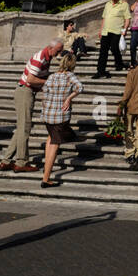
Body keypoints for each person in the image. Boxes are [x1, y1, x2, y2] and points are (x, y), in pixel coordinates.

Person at [0, 39, 61, 172]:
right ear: (51, 48)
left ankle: (6, 161)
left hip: (26, 92)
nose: (59, 53)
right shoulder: (40, 58)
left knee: (22, 127)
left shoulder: (46, 57)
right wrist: (48, 81)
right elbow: (31, 79)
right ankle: (21, 162)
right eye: (58, 50)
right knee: (25, 128)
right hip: (25, 91)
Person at [39, 51, 83, 187]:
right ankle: (46, 178)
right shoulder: (70, 76)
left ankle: (46, 169)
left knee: (50, 138)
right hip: (60, 116)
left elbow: (44, 93)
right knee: (54, 144)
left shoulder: (52, 76)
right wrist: (68, 98)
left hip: (48, 114)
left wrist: (46, 108)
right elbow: (80, 87)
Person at [95, 0, 131, 78]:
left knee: (114, 48)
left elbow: (127, 18)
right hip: (106, 31)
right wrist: (100, 30)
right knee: (103, 51)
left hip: (117, 30)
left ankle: (119, 63)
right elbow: (104, 18)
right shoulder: (108, 4)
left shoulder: (124, 4)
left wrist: (125, 29)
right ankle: (100, 70)